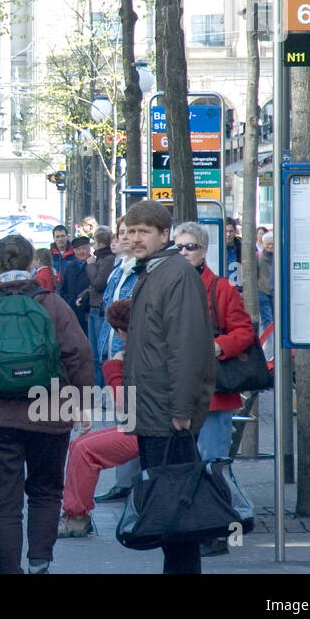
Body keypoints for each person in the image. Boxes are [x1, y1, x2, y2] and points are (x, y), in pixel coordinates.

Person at [0, 234, 95, 573]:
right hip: (50, 412)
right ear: (33, 262)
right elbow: (78, 352)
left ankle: (9, 569)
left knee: (3, 501)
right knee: (46, 492)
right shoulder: (52, 303)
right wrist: (83, 402)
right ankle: (39, 561)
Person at [121, 199, 214, 575]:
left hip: (167, 414)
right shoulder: (153, 271)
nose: (135, 238)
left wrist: (182, 409)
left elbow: (186, 346)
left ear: (164, 235)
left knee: (177, 509)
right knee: (168, 507)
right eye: (131, 232)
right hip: (153, 410)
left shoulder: (175, 274)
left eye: (144, 232)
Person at [174, 221, 254, 557]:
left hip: (214, 396)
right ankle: (198, 524)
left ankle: (221, 531)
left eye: (190, 246)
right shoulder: (169, 285)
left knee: (213, 463)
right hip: (177, 392)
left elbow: (244, 331)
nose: (183, 253)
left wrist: (219, 346)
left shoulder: (220, 288)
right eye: (177, 247)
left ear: (204, 250)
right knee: (188, 464)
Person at [58, 298, 139, 537]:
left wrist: (113, 371)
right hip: (150, 423)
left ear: (121, 330)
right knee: (79, 445)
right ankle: (75, 514)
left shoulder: (130, 356)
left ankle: (76, 517)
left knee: (84, 449)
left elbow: (125, 409)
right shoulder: (145, 350)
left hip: (148, 428)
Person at [94, 218, 141, 501]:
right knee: (121, 416)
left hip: (129, 352)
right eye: (122, 233)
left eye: (130, 232)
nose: (124, 238)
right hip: (112, 349)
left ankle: (130, 481)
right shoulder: (117, 271)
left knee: (131, 418)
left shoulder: (140, 272)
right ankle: (124, 480)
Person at [85, 227, 116, 370]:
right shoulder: (101, 258)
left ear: (101, 243)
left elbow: (98, 283)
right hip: (93, 308)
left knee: (99, 355)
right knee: (93, 355)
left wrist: (90, 265)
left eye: (95, 242)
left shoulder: (108, 259)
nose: (93, 246)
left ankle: (102, 389)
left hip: (99, 310)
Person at [58, 235, 92, 332]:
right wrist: (72, 302)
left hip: (87, 312)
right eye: (78, 249)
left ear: (89, 249)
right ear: (74, 251)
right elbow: (63, 290)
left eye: (84, 248)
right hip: (72, 311)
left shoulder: (94, 265)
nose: (82, 251)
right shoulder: (69, 267)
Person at [257, 231, 274, 330]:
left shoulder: (280, 256)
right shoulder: (257, 256)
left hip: (275, 293)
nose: (270, 246)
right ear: (263, 244)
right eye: (268, 244)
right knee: (267, 319)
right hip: (262, 292)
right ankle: (270, 342)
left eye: (272, 244)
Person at [223, 218, 242, 288]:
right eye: (226, 231)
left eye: (231, 231)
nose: (228, 234)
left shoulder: (241, 247)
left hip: (238, 289)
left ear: (235, 231)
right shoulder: (218, 248)